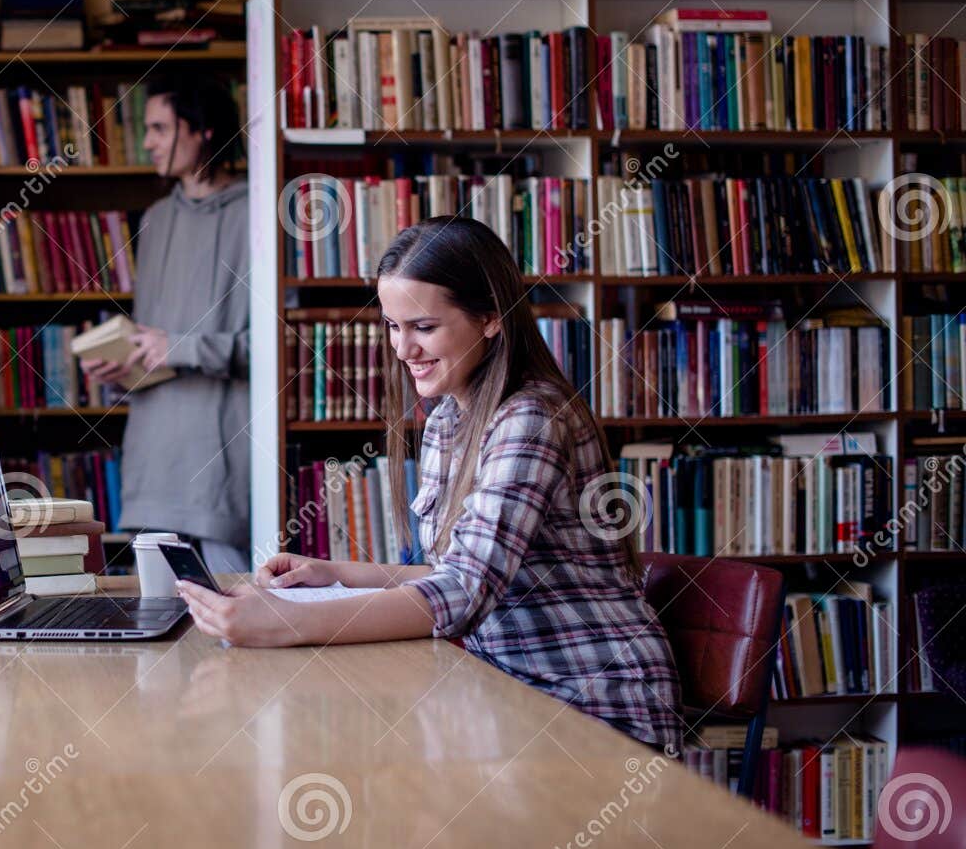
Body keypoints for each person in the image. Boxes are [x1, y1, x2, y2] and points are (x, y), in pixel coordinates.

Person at [176, 216, 683, 753]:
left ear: (490, 317)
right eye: (393, 327)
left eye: (423, 327)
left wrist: (287, 622)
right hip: (504, 687)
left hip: (592, 703)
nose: (403, 349)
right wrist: (334, 573)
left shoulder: (532, 419)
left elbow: (463, 594)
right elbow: (458, 569)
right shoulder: (448, 417)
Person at [84, 73, 251, 574]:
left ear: (200, 129)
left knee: (235, 610)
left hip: (219, 461)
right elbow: (151, 334)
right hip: (152, 456)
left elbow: (276, 347)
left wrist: (175, 347)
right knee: (154, 617)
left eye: (159, 128)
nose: (148, 142)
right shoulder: (154, 219)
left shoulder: (256, 213)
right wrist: (125, 364)